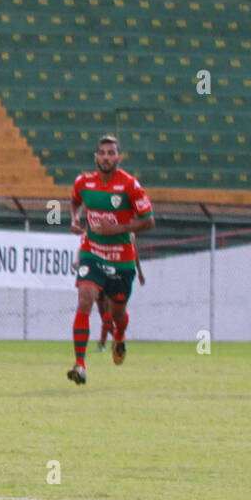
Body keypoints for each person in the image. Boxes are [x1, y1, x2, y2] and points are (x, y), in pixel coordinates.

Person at [67, 135, 154, 385]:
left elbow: (149, 221)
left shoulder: (130, 185)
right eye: (102, 153)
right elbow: (75, 202)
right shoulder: (83, 182)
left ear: (119, 157)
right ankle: (80, 365)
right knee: (85, 298)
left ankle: (120, 334)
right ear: (96, 156)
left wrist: (117, 228)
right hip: (92, 251)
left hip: (121, 260)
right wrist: (75, 219)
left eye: (111, 153)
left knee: (117, 313)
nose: (106, 157)